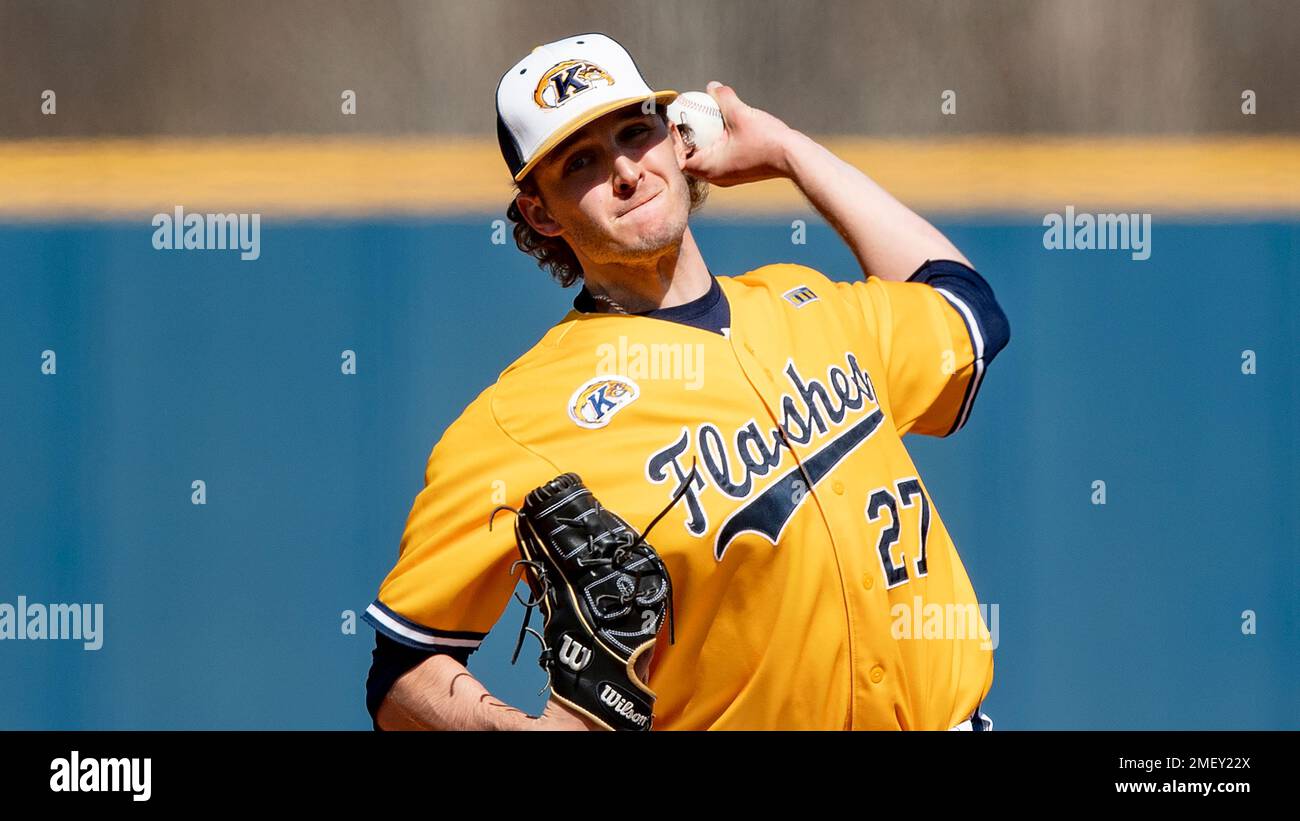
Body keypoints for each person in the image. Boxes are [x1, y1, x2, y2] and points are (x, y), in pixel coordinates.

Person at [363, 32, 1009, 730]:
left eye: (635, 133)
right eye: (581, 161)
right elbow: (403, 665)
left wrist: (790, 152)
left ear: (679, 141)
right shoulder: (517, 421)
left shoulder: (809, 305)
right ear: (540, 213)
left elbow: (968, 310)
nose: (626, 171)